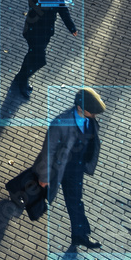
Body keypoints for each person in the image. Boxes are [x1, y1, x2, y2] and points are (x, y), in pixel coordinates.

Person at [33, 87, 106, 250]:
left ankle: (79, 235)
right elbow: (48, 152)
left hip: (76, 168)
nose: (94, 116)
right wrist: (44, 177)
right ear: (80, 108)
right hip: (61, 169)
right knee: (38, 187)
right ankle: (18, 194)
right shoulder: (60, 123)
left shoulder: (88, 119)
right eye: (91, 112)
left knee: (75, 201)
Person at [11, 0, 78, 98]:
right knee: (39, 60)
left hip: (46, 32)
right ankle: (22, 79)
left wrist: (71, 26)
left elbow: (62, 7)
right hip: (34, 31)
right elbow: (37, 12)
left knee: (33, 54)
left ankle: (21, 77)